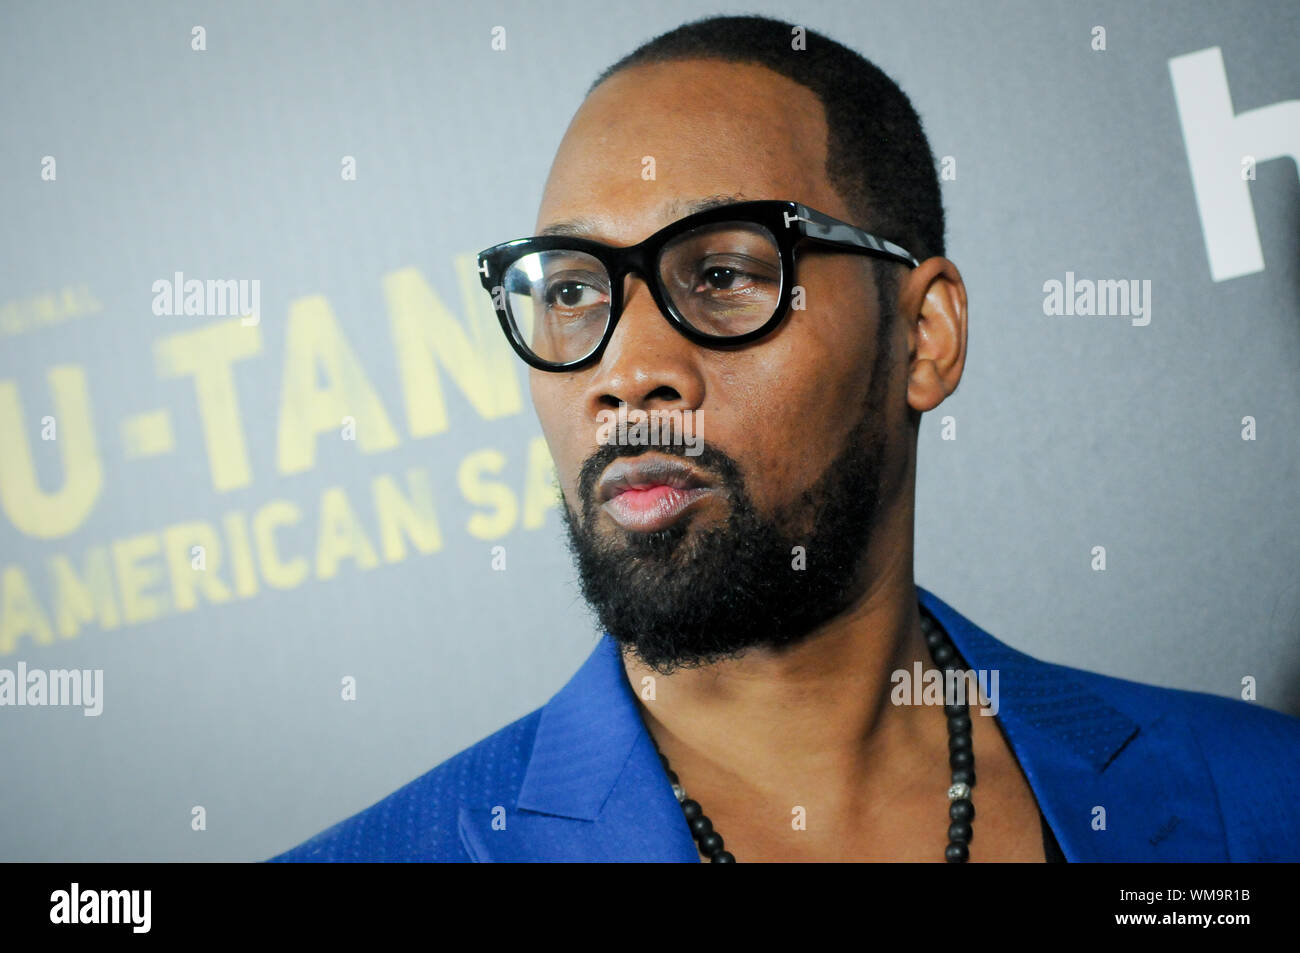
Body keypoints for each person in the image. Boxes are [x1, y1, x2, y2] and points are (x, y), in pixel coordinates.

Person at [271, 14, 1300, 863]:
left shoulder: (1261, 800)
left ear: (924, 336)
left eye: (721, 274)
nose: (628, 373)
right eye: (574, 290)